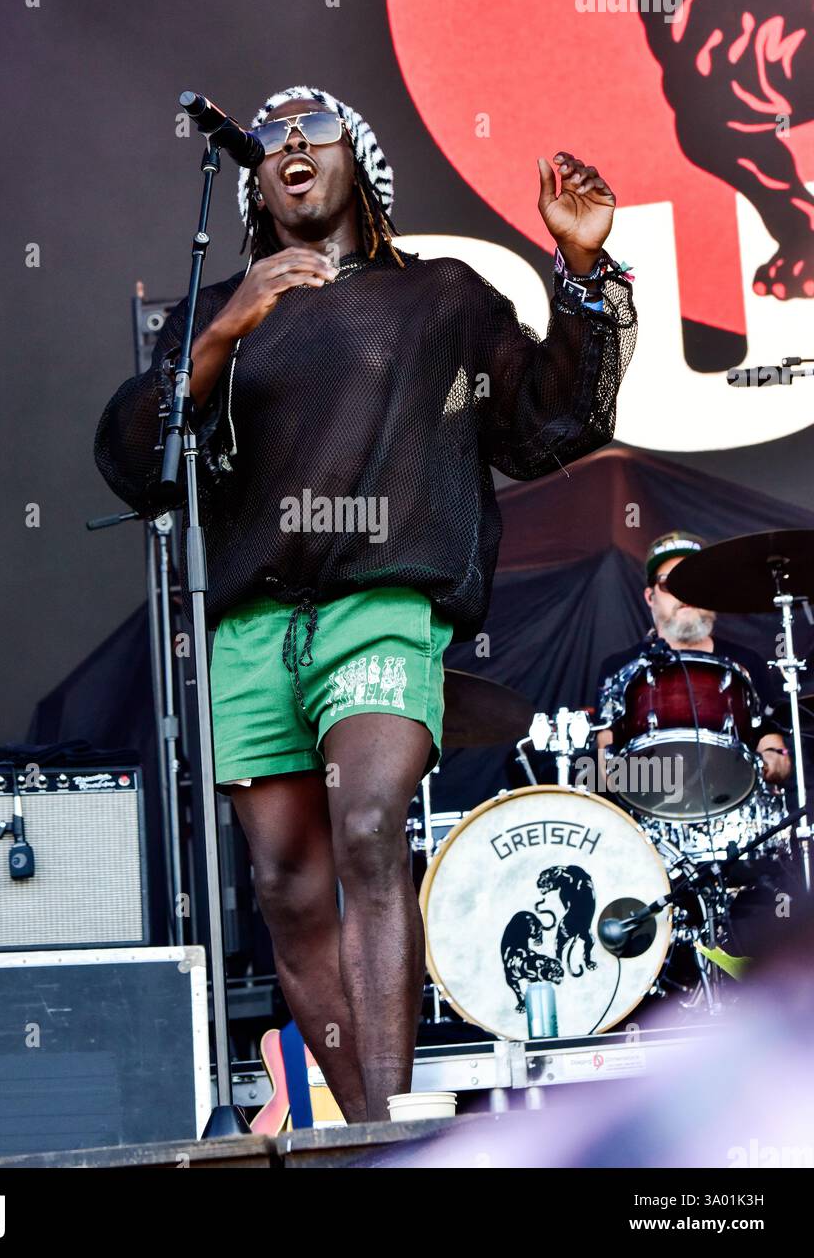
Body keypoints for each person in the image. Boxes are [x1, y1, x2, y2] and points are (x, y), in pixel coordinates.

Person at [94, 85, 637, 1122]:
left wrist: (582, 271)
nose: (290, 143)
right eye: (272, 135)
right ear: (254, 173)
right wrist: (216, 343)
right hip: (252, 626)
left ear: (363, 164)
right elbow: (136, 461)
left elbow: (549, 418)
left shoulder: (439, 296)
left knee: (371, 823)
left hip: (381, 606)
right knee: (289, 893)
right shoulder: (217, 309)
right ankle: (376, 1139)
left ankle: (389, 1147)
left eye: (316, 127)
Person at [595, 531, 791, 787]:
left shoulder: (747, 662)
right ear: (650, 597)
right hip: (648, 808)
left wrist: (767, 763)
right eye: (669, 584)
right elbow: (607, 765)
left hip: (733, 810)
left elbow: (776, 752)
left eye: (694, 581)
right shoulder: (619, 668)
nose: (683, 593)